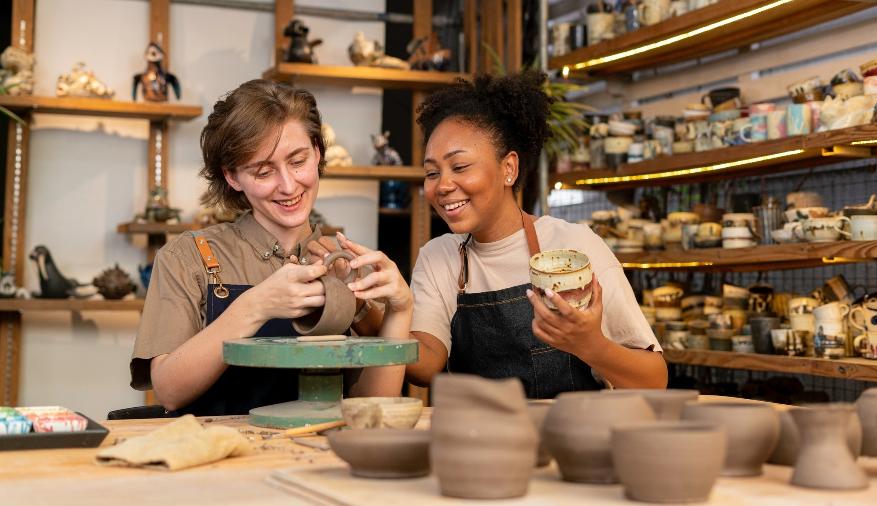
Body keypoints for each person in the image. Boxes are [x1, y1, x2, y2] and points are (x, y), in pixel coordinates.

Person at [130, 79, 412, 415]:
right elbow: (169, 390)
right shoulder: (188, 257)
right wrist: (256, 306)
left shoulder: (348, 262)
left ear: (317, 153)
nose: (289, 185)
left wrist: (400, 309)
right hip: (219, 458)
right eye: (264, 171)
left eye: (298, 161)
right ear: (233, 177)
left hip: (312, 460)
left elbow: (371, 409)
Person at [404, 71, 666, 398]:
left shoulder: (574, 247)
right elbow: (425, 366)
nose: (442, 185)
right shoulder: (438, 256)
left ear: (509, 169)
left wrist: (592, 346)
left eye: (459, 167)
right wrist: (373, 311)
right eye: (432, 172)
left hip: (568, 440)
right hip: (476, 441)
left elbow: (655, 379)